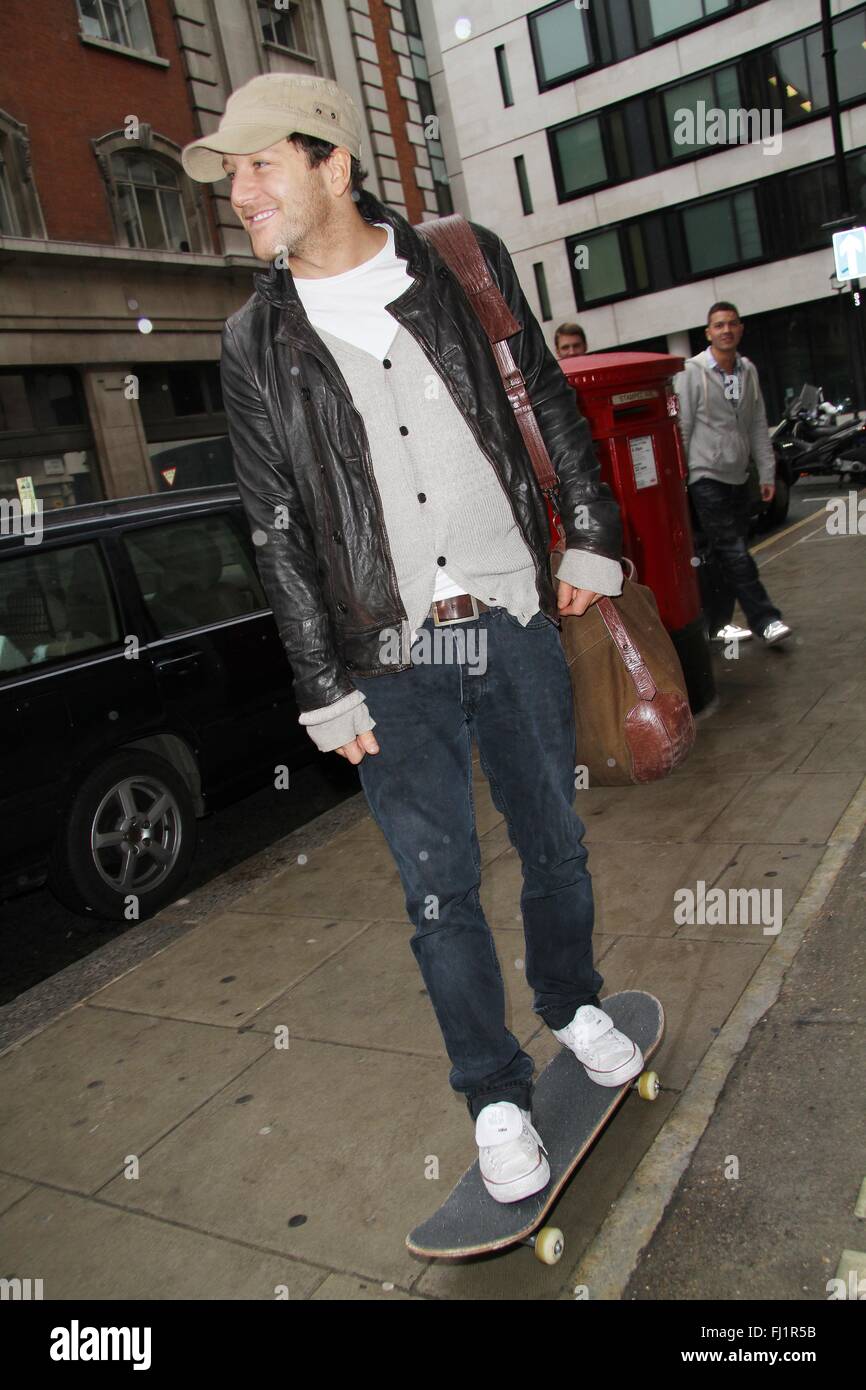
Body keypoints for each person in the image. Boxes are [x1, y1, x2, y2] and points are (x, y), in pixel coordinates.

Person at [182, 74, 644, 1204]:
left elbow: (542, 396)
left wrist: (588, 532)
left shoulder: (460, 263)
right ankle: (491, 1089)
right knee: (437, 890)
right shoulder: (255, 336)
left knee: (555, 848)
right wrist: (319, 685)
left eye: (258, 167)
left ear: (332, 162)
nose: (238, 193)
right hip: (385, 659)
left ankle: (572, 1000)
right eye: (229, 175)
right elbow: (276, 523)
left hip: (511, 617)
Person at [675, 303, 792, 646]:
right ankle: (765, 618)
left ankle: (716, 624)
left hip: (738, 475)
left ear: (740, 329)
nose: (726, 330)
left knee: (724, 553)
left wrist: (766, 473)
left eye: (732, 324)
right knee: (734, 548)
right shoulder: (692, 371)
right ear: (708, 333)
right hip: (704, 474)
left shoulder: (747, 370)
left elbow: (757, 424)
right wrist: (680, 477)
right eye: (719, 325)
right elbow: (683, 426)